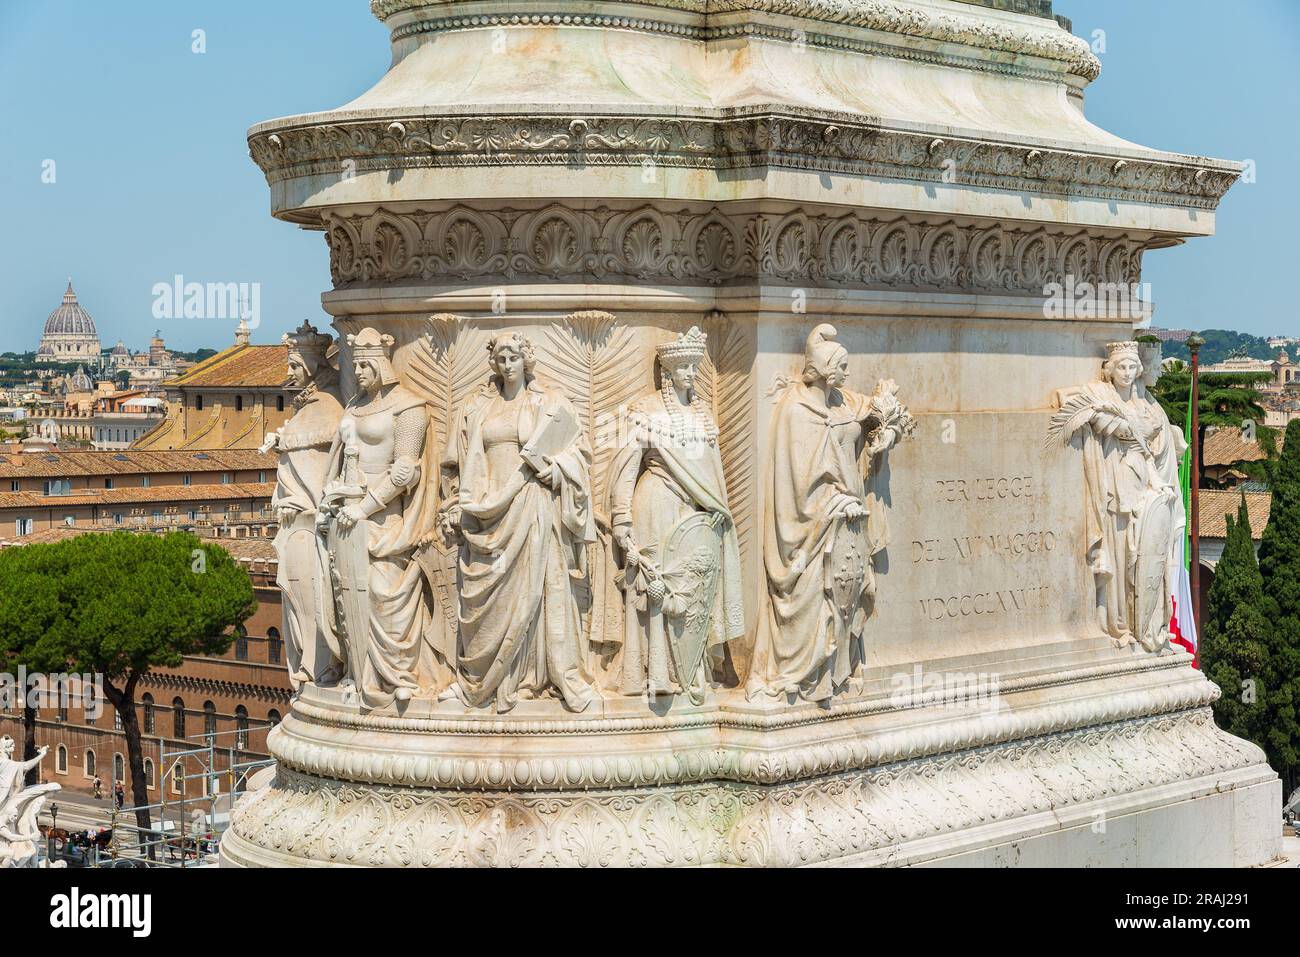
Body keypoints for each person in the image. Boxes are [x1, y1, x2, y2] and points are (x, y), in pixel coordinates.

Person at [747, 324, 913, 702]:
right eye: (841, 365)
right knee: (813, 595)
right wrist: (827, 506)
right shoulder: (795, 411)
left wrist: (885, 435)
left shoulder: (844, 402)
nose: (848, 372)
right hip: (814, 527)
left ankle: (839, 671)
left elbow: (887, 416)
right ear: (822, 368)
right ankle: (800, 674)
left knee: (846, 597)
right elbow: (795, 482)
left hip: (848, 527)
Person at [438, 332, 600, 712]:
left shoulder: (549, 404)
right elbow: (456, 464)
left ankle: (536, 676)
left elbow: (581, 454)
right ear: (493, 362)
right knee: (486, 599)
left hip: (534, 506)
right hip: (486, 512)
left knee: (540, 591)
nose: (507, 365)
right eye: (501, 358)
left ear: (526, 361)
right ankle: (478, 680)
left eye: (514, 358)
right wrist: (456, 504)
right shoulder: (476, 407)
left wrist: (557, 471)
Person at [606, 326, 744, 700]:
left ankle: (692, 670)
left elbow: (711, 473)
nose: (690, 373)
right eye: (683, 367)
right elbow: (625, 467)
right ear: (668, 372)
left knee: (692, 588)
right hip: (656, 503)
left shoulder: (702, 413)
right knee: (655, 588)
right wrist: (622, 520)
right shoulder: (646, 412)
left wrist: (714, 507)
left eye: (693, 367)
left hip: (695, 515)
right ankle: (654, 674)